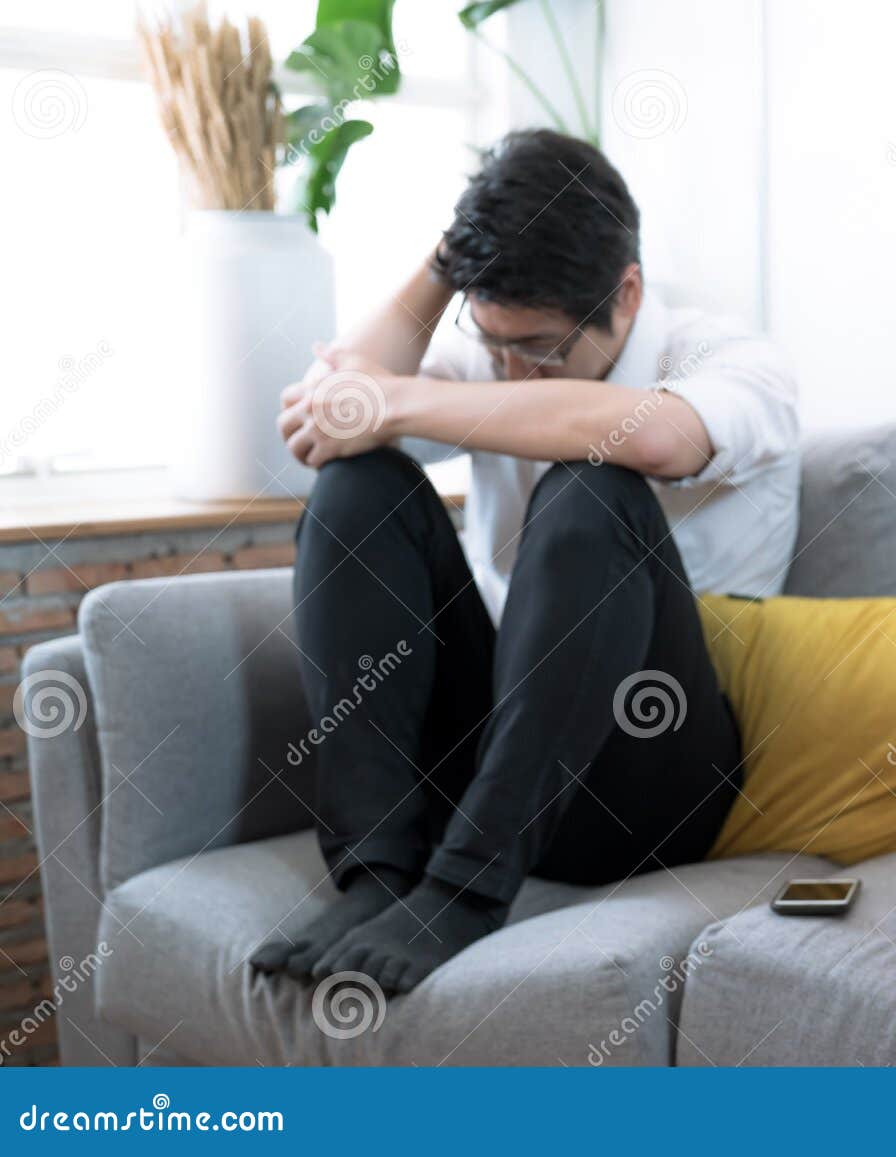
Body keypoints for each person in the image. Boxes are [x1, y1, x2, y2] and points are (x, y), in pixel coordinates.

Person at [250, 129, 800, 996]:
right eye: (493, 342)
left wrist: (403, 403)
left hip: (652, 763)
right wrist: (453, 255)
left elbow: (652, 434)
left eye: (537, 347)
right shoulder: (498, 343)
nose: (509, 370)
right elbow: (336, 406)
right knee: (360, 484)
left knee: (593, 488)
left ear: (626, 293)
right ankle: (380, 872)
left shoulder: (736, 360)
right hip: (507, 748)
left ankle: (464, 890)